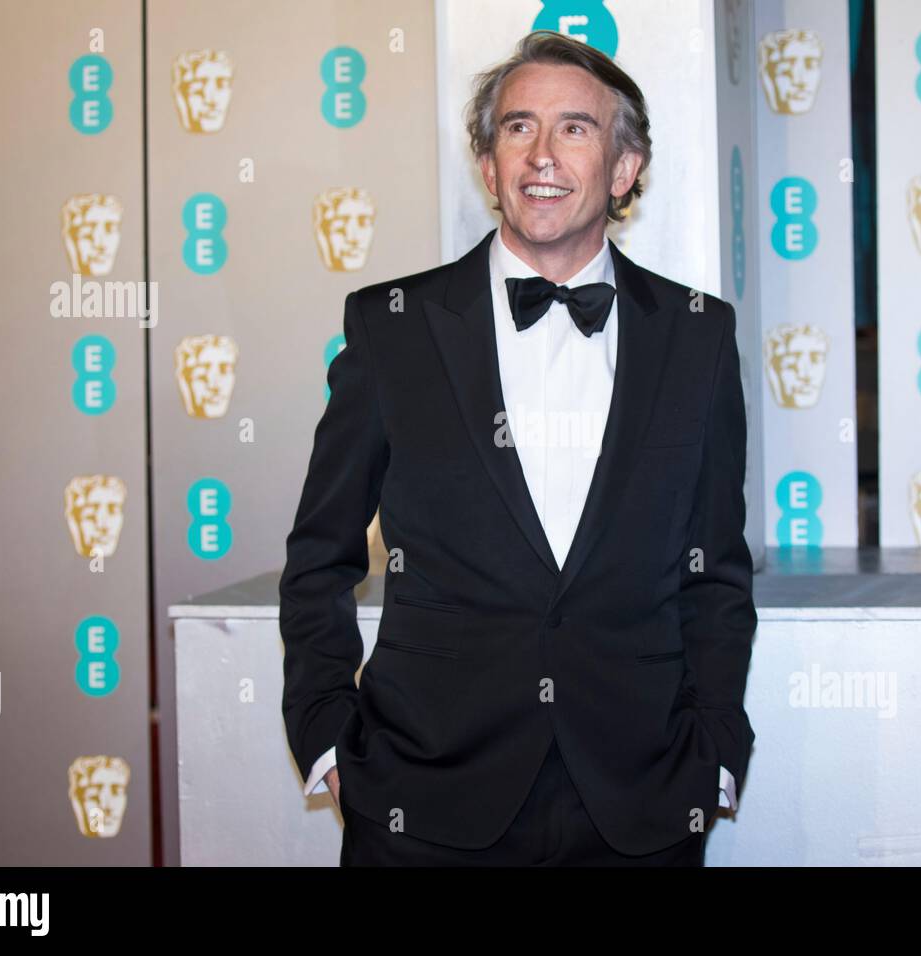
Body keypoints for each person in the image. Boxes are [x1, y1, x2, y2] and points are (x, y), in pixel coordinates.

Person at [280, 29, 756, 866]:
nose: (542, 154)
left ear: (623, 169)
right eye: (517, 128)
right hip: (423, 795)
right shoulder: (393, 328)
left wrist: (713, 751)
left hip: (640, 801)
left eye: (575, 129)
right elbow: (319, 555)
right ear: (489, 162)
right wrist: (328, 738)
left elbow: (714, 569)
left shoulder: (698, 335)